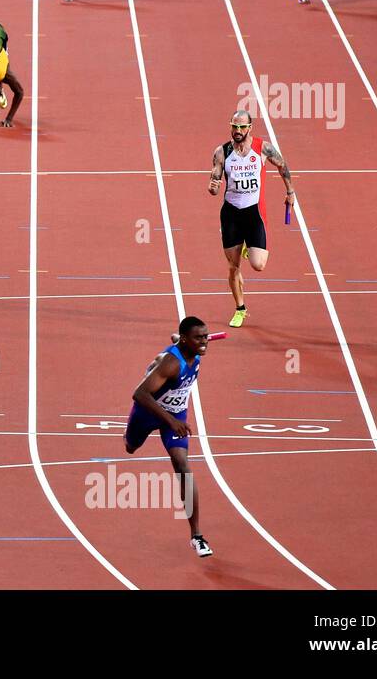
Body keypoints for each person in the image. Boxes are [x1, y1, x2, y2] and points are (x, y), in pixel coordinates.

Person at [124, 316, 212, 558]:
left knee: (183, 466)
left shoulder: (194, 349)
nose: (204, 342)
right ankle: (130, 436)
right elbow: (139, 393)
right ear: (186, 339)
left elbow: (178, 339)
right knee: (130, 447)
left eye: (206, 336)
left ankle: (196, 536)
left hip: (176, 415)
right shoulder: (171, 364)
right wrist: (171, 421)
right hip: (148, 411)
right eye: (199, 338)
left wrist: (175, 420)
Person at [208, 111, 295, 328]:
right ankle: (240, 308)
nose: (238, 131)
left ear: (250, 127)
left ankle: (249, 244)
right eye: (234, 127)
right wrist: (212, 187)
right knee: (233, 265)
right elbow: (215, 180)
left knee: (258, 265)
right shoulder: (222, 152)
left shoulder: (263, 148)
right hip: (231, 214)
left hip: (254, 213)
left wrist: (290, 192)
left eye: (242, 127)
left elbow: (282, 165)